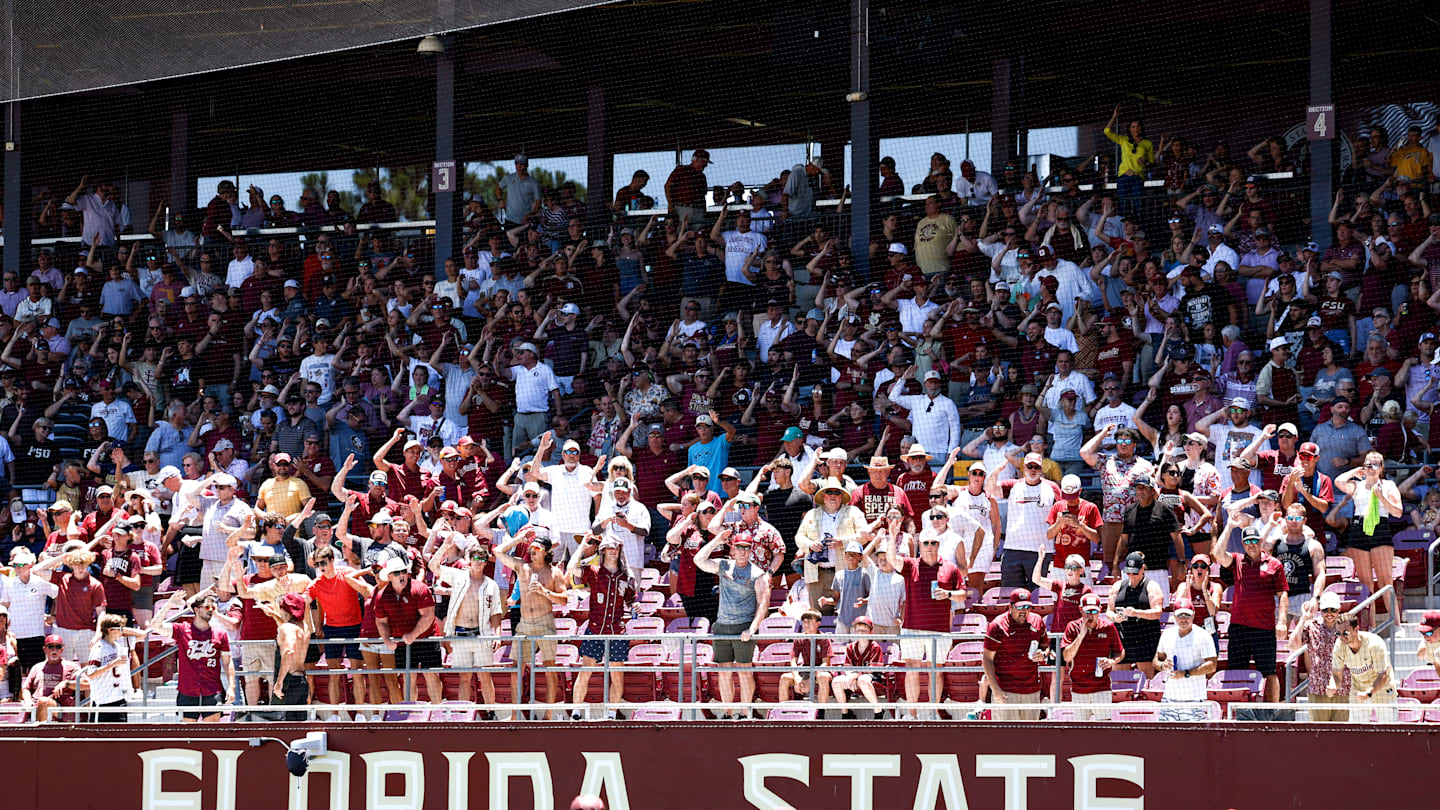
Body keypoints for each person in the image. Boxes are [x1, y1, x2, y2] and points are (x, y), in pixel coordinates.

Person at [694, 531, 770, 720]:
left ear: (751, 550)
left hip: (742, 627)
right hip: (722, 627)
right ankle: (727, 713)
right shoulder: (723, 565)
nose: (743, 551)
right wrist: (717, 540)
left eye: (746, 547)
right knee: (724, 672)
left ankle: (745, 713)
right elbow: (699, 560)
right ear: (732, 549)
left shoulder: (758, 574)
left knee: (744, 672)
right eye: (739, 547)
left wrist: (752, 628)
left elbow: (763, 603)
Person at [494, 529, 567, 715]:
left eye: (537, 547)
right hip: (525, 623)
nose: (532, 550)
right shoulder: (522, 567)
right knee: (516, 668)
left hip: (545, 622)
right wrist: (519, 539)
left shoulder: (554, 572)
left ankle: (549, 714)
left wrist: (545, 592)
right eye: (531, 546)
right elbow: (498, 552)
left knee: (549, 668)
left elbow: (564, 599)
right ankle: (514, 714)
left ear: (546, 551)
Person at [566, 535, 637, 719]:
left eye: (616, 547)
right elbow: (571, 568)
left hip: (617, 630)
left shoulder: (626, 576)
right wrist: (583, 545)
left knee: (617, 674)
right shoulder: (593, 571)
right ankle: (576, 711)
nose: (613, 550)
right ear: (603, 550)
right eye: (610, 547)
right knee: (586, 670)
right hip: (595, 628)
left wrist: (635, 605)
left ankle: (611, 713)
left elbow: (631, 600)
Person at [1217, 524, 1288, 703]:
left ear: (1260, 541)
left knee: (1269, 672)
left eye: (1254, 540)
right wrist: (1230, 526)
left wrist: (1281, 621)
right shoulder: (1237, 561)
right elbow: (1218, 554)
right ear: (1242, 543)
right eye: (1247, 541)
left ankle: (1274, 711)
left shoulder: (1275, 564)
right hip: (1239, 628)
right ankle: (1234, 711)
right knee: (1235, 672)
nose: (1251, 544)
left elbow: (1283, 594)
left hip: (1264, 629)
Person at [429, 537, 503, 709]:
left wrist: (497, 635)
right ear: (469, 560)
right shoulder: (458, 576)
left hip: (481, 635)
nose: (479, 562)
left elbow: (496, 613)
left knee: (485, 676)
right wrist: (445, 546)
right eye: (475, 558)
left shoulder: (491, 585)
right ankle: (463, 712)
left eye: (482, 559)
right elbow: (433, 566)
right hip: (460, 635)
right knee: (464, 677)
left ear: (486, 562)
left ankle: (491, 712)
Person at [1332, 451, 1402, 627]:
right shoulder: (1357, 485)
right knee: (1365, 583)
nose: (1371, 468)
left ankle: (1396, 625)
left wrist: (1381, 497)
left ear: (1381, 467)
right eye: (1368, 465)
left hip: (1380, 528)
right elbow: (1338, 481)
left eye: (1375, 465)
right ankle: (1370, 626)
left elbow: (1398, 512)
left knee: (1385, 580)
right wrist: (1355, 470)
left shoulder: (1388, 485)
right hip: (1359, 529)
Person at [148, 590, 235, 722]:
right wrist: (169, 604)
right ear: (196, 609)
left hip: (212, 690)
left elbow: (228, 663)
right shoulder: (182, 630)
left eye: (213, 607)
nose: (210, 610)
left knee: (212, 734)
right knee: (189, 735)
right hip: (187, 690)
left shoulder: (220, 634)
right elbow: (155, 626)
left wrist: (231, 687)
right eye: (207, 607)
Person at [1081, 425, 1155, 573]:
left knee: (1135, 561)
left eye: (1127, 442)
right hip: (1111, 520)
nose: (1123, 444)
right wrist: (1103, 433)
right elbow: (1084, 452)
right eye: (1120, 441)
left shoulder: (1145, 466)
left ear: (1134, 445)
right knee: (1109, 562)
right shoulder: (1105, 461)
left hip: (1136, 520)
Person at [372, 557, 443, 706]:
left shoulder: (420, 588)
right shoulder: (382, 596)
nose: (401, 575)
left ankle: (438, 711)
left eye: (404, 571)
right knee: (408, 677)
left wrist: (413, 635)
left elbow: (428, 616)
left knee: (431, 675)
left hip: (427, 638)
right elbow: (381, 622)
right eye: (397, 573)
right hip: (403, 642)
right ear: (389, 576)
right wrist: (386, 639)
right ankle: (411, 713)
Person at [795, 478, 866, 612]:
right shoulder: (811, 514)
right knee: (818, 614)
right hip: (817, 573)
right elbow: (798, 538)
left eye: (837, 492)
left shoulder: (853, 512)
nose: (833, 495)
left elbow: (864, 535)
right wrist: (810, 544)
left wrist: (843, 542)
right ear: (823, 495)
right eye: (829, 492)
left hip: (847, 572)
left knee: (849, 612)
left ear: (842, 496)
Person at [981, 589, 1050, 720]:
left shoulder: (1037, 621)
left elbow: (1046, 646)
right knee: (1006, 737)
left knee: (1029, 737)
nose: (1024, 611)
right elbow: (987, 658)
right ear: (1010, 606)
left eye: (1027, 607)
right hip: (1006, 691)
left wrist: (1043, 654)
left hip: (1031, 691)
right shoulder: (998, 625)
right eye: (1020, 607)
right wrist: (995, 690)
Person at [1152, 597, 1218, 721]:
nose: (1183, 619)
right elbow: (1157, 659)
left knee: (1194, 739)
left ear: (1193, 615)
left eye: (1187, 615)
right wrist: (1162, 665)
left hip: (1194, 700)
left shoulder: (1203, 636)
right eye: (1180, 615)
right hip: (1169, 699)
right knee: (1165, 737)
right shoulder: (1167, 635)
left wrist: (1186, 673)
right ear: (1174, 616)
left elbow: (1212, 665)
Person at [1061, 593, 1125, 720]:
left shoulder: (1108, 627)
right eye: (1087, 611)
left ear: (1100, 610)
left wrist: (1112, 661)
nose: (1090, 615)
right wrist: (1081, 635)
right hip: (1079, 688)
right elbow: (1067, 657)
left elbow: (1120, 652)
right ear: (1080, 610)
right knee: (1080, 731)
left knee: (1104, 729)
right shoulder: (1072, 627)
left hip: (1102, 688)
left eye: (1094, 611)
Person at [1290, 592, 1349, 722]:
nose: (1329, 613)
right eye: (1325, 610)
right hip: (1317, 688)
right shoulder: (1311, 626)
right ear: (1320, 610)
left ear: (1339, 609)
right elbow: (1293, 645)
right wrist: (1303, 619)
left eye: (1333, 610)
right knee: (1319, 735)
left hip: (1342, 688)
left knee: (1341, 735)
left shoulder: (1347, 627)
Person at [1107, 551, 1165, 678]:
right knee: (1120, 677)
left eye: (1135, 572)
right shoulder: (1118, 586)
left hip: (1145, 637)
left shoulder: (1151, 586)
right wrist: (1115, 618)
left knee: (1147, 676)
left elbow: (1157, 612)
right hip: (1124, 635)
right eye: (1129, 572)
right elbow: (1108, 611)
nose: (1132, 575)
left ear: (1143, 568)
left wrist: (1136, 613)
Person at [1117, 473, 1184, 582]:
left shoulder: (1164, 509)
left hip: (1157, 568)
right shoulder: (1129, 510)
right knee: (1131, 599)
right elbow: (1123, 539)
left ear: (1152, 491)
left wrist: (1181, 562)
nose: (1141, 491)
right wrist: (1116, 564)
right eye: (1138, 488)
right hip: (1133, 569)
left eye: (1144, 488)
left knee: (1159, 599)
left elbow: (1177, 538)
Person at [1331, 613, 1397, 723]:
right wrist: (1333, 685)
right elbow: (1337, 675)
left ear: (1356, 629)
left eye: (1345, 632)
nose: (1341, 636)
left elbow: (1383, 676)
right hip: (1358, 690)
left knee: (1389, 732)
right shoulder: (1339, 645)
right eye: (1338, 633)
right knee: (1356, 733)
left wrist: (1368, 693)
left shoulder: (1375, 644)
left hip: (1383, 689)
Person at [265, 592, 312, 721]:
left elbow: (289, 651)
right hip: (302, 681)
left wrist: (279, 683)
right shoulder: (305, 627)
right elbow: (289, 630)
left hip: (288, 683)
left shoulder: (287, 628)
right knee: (299, 727)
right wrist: (274, 615)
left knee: (283, 727)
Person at [830, 615, 883, 715]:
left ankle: (878, 711)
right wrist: (850, 677)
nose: (861, 633)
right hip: (854, 677)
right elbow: (847, 666)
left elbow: (872, 669)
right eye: (858, 630)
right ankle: (845, 713)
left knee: (863, 679)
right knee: (836, 681)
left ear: (870, 632)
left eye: (864, 630)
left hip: (872, 678)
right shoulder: (851, 646)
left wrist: (855, 676)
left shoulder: (875, 646)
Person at [21, 634, 81, 722]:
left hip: (60, 707)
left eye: (58, 646)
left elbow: (87, 684)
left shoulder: (71, 666)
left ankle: (39, 733)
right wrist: (28, 701)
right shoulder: (37, 667)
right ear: (44, 649)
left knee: (44, 702)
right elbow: (26, 688)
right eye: (50, 646)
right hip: (35, 706)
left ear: (62, 650)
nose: (54, 649)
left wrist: (67, 683)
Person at [777, 610, 832, 704]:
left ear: (818, 623)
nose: (806, 625)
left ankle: (821, 713)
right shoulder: (799, 638)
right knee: (784, 678)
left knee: (823, 676)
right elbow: (793, 660)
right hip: (805, 669)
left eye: (809, 621)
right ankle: (783, 711)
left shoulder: (824, 639)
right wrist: (797, 678)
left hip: (820, 671)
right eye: (804, 622)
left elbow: (825, 663)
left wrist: (811, 679)